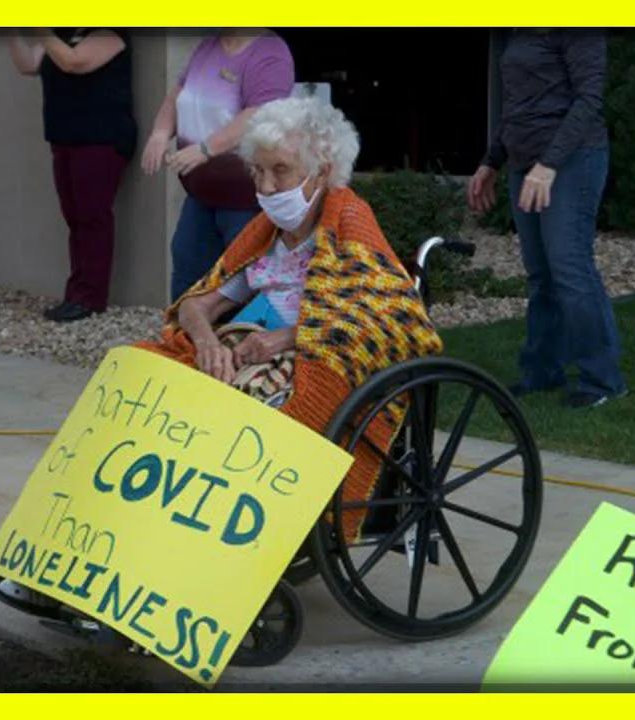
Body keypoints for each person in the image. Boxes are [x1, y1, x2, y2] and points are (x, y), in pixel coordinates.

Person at [138, 97, 442, 537]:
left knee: (233, 417)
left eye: (280, 170)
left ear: (321, 170)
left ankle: (214, 536)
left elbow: (390, 316)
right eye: (257, 172)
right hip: (247, 353)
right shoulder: (267, 230)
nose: (266, 186)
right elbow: (195, 303)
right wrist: (206, 343)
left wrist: (283, 340)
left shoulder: (349, 222)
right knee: (145, 376)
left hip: (312, 363)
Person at [467, 29, 625, 409]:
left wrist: (549, 165)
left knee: (570, 268)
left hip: (572, 161)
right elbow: (517, 106)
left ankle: (602, 379)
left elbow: (589, 99)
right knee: (541, 275)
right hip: (526, 163)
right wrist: (492, 161)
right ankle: (541, 372)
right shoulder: (517, 30)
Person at [141, 30, 294, 301]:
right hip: (201, 193)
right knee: (188, 269)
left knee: (239, 282)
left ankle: (233, 340)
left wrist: (206, 148)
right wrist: (160, 133)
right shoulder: (208, 46)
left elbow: (259, 114)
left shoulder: (270, 52)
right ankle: (180, 339)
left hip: (247, 199)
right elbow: (177, 95)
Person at [8, 29, 136, 322]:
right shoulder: (60, 34)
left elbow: (74, 62)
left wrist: (40, 30)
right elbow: (28, 64)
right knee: (74, 218)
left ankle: (91, 297)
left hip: (100, 138)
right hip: (64, 136)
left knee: (92, 218)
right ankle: (76, 292)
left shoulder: (111, 30)